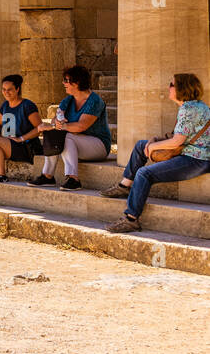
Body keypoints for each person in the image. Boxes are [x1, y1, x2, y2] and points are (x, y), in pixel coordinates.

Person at [104, 73, 210, 233]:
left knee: (144, 173)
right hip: (190, 153)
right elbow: (181, 136)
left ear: (182, 88)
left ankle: (131, 219)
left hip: (196, 160)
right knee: (142, 145)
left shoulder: (188, 109)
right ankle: (125, 185)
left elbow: (177, 142)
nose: (168, 87)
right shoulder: (196, 106)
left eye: (171, 85)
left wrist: (154, 147)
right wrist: (154, 141)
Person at [29, 64, 111, 190]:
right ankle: (47, 176)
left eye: (66, 80)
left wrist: (59, 125)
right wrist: (53, 125)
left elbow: (81, 126)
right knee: (54, 134)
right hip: (76, 141)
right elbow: (56, 119)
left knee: (66, 136)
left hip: (98, 145)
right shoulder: (68, 101)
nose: (63, 83)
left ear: (77, 82)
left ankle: (73, 179)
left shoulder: (94, 101)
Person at [0, 74, 43, 185]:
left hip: (25, 146)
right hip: (9, 144)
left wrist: (21, 138)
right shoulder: (5, 105)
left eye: (10, 90)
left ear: (17, 89)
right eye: (4, 90)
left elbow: (40, 128)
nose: (6, 92)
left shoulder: (27, 105)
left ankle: (2, 176)